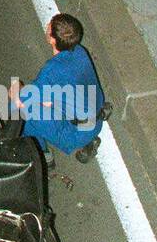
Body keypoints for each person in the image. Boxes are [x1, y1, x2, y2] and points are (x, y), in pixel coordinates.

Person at [10, 13, 106, 164]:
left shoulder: (51, 72)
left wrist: (16, 86)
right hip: (95, 117)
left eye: (50, 25)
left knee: (19, 112)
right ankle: (86, 140)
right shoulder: (80, 51)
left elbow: (22, 100)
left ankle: (44, 157)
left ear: (53, 40)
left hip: (78, 133)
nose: (47, 24)